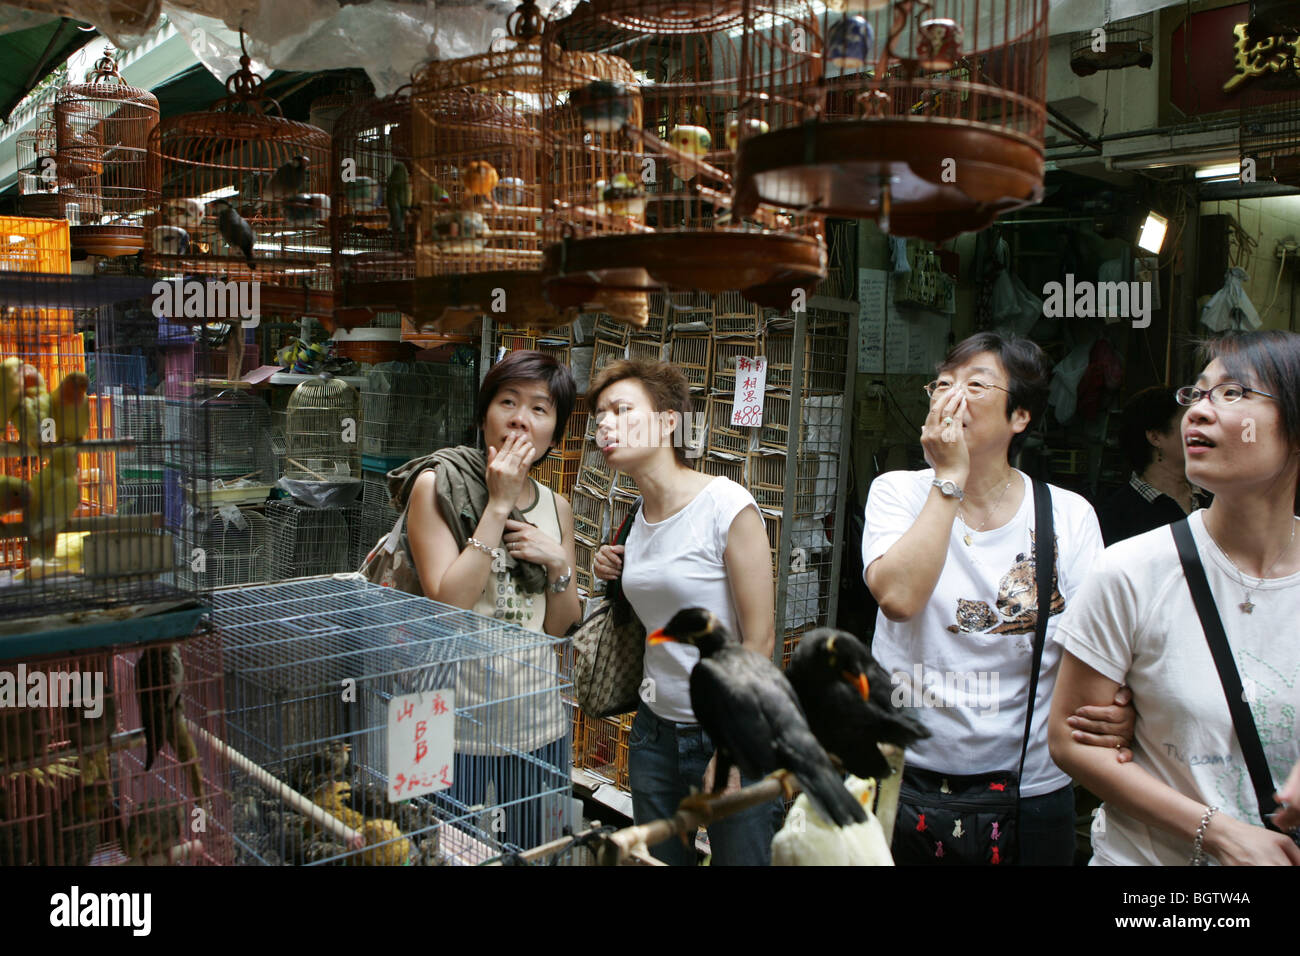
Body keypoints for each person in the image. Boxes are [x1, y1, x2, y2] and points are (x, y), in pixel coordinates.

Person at [861, 331, 1133, 865]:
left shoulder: (1069, 515)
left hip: (1028, 788)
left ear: (1020, 418)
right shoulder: (896, 492)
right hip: (902, 776)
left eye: (977, 385)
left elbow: (1099, 649)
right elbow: (898, 597)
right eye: (942, 384)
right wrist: (949, 479)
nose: (951, 398)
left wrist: (1120, 711)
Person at [1050, 330, 1300, 866]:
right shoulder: (1131, 570)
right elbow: (1072, 742)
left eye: (1232, 394)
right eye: (1198, 393)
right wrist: (1220, 833)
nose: (1198, 412)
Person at [590, 358, 779, 865]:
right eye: (600, 415)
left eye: (622, 410)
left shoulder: (725, 505)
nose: (605, 424)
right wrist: (607, 567)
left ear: (669, 421)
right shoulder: (635, 516)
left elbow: (761, 638)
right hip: (654, 732)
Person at [400, 349, 582, 849]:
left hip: (535, 722)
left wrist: (559, 565)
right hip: (434, 717)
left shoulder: (557, 508)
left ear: (554, 432)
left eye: (540, 409)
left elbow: (561, 627)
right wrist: (498, 504)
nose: (521, 419)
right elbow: (447, 603)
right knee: (426, 852)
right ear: (484, 415)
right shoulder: (436, 485)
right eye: (508, 401)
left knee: (536, 852)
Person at [1097, 385, 1205, 545]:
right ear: (1155, 437)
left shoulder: (1213, 498)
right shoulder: (1116, 515)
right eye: (1190, 422)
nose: (1201, 431)